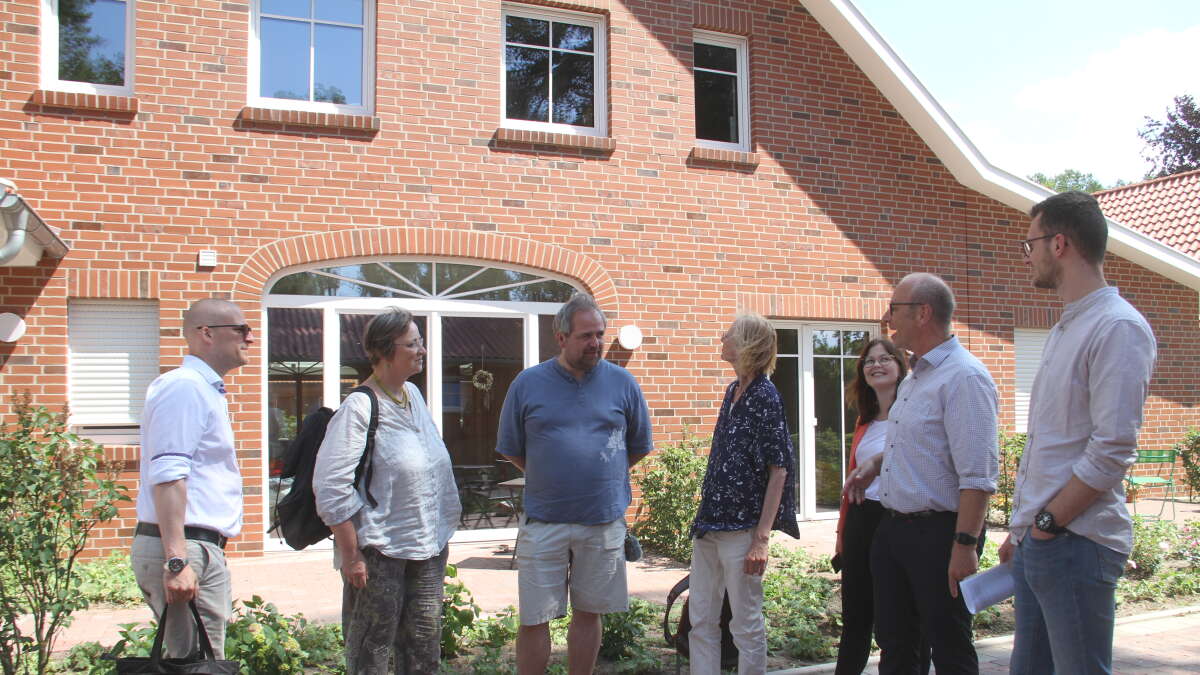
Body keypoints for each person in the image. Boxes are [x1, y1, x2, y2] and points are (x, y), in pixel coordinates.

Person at [1000, 191, 1156, 674]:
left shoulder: (1117, 327)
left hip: (1076, 542)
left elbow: (1112, 449)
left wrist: (1047, 524)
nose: (1027, 256)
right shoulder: (1067, 328)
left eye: (1030, 244)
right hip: (1043, 542)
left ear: (1059, 243)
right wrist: (1024, 530)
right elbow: (1052, 445)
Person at [844, 273, 998, 675]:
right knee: (896, 646)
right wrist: (875, 465)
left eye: (894, 308)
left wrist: (964, 545)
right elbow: (918, 444)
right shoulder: (917, 377)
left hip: (940, 534)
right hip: (894, 530)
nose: (887, 317)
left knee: (948, 647)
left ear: (923, 313)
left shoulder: (964, 377)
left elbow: (978, 474)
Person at [496, 292, 653, 675]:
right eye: (585, 336)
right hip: (544, 520)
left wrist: (600, 475)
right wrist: (554, 475)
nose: (595, 343)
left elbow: (638, 446)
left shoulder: (623, 382)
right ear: (561, 337)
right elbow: (513, 449)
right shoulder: (528, 383)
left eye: (599, 334)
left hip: (602, 520)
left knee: (589, 613)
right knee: (534, 617)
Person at [314, 308, 461, 674]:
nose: (422, 350)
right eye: (412, 344)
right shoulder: (360, 407)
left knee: (424, 646)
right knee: (372, 648)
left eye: (420, 342)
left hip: (427, 546)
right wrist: (351, 555)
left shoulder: (412, 394)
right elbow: (330, 487)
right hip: (379, 551)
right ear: (383, 351)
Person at [131, 298, 254, 657]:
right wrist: (177, 562)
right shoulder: (185, 387)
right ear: (206, 334)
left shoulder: (203, 389)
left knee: (201, 659)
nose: (250, 338)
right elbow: (169, 476)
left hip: (196, 547)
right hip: (184, 547)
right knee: (195, 663)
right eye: (242, 329)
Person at [688, 312, 799, 674]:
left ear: (748, 344)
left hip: (743, 531)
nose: (723, 337)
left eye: (730, 334)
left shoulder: (766, 396)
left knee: (745, 625)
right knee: (701, 620)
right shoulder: (732, 392)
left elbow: (779, 469)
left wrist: (761, 539)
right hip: (709, 525)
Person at [834, 338, 931, 675]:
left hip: (898, 518)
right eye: (869, 361)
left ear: (901, 366)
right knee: (856, 614)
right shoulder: (865, 421)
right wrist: (842, 536)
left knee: (902, 618)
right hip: (862, 520)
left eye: (885, 358)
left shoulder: (915, 415)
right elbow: (853, 481)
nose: (876, 365)